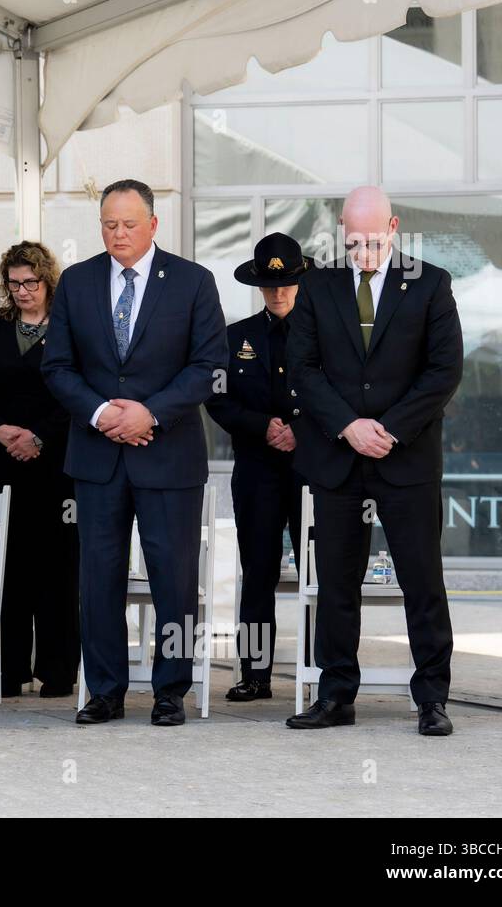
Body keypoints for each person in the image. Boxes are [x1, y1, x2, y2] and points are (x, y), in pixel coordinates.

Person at [41, 179, 227, 726]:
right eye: (108, 224)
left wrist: (151, 413)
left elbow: (209, 367)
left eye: (128, 223)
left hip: (169, 457)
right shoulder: (76, 283)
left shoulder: (193, 282)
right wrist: (103, 415)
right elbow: (57, 367)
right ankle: (104, 690)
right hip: (97, 458)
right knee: (98, 578)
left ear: (153, 224)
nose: (117, 234)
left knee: (173, 579)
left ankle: (170, 691)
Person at [285, 186, 463, 736]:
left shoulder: (430, 283)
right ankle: (337, 695)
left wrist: (388, 429)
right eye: (354, 240)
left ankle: (431, 697)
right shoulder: (317, 286)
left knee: (421, 581)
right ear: (343, 228)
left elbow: (443, 371)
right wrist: (348, 426)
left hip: (404, 458)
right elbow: (303, 368)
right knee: (337, 583)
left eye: (373, 239)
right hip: (338, 458)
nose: (364, 252)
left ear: (393, 226)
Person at [0, 241, 79, 699]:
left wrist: (37, 437)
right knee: (7, 569)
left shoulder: (70, 326)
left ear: (47, 280)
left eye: (30, 282)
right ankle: (10, 671)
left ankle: (56, 673)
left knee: (57, 570)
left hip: (54, 466)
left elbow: (74, 393)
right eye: (13, 284)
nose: (22, 291)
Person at [206, 233, 311, 701]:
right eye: (270, 285)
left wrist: (299, 430)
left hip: (312, 468)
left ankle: (323, 667)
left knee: (319, 572)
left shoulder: (324, 334)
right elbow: (216, 398)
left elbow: (345, 394)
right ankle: (254, 673)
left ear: (299, 281)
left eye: (287, 283)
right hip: (257, 470)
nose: (279, 292)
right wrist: (260, 426)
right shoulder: (235, 337)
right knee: (258, 572)